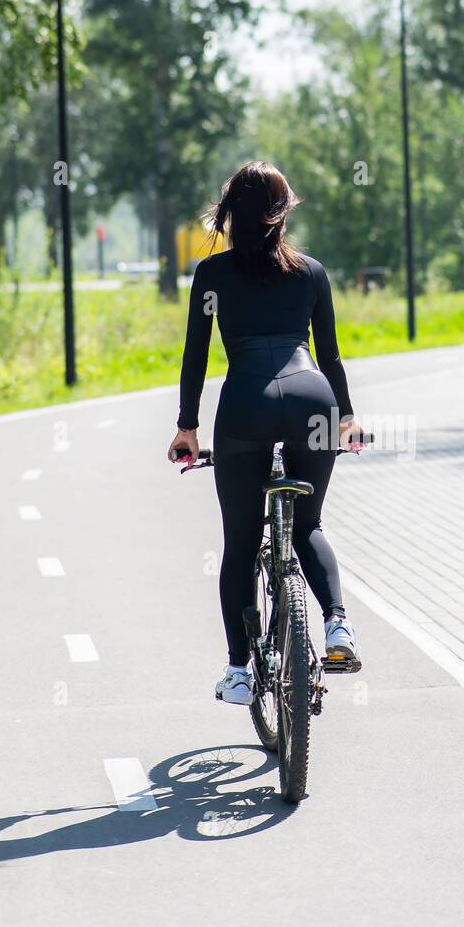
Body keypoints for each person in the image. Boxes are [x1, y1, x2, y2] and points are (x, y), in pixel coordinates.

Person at [167, 161, 364, 705]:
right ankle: (338, 627)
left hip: (246, 406)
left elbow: (195, 357)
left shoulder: (211, 275)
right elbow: (330, 353)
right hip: (312, 400)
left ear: (230, 214)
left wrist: (188, 427)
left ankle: (238, 671)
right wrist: (346, 417)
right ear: (282, 213)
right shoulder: (311, 272)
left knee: (242, 542)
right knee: (308, 524)